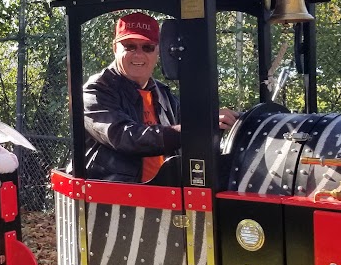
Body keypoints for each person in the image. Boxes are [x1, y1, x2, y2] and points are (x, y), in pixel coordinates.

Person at [82, 12, 237, 182]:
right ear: (115, 48)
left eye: (147, 47)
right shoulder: (96, 91)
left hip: (163, 191)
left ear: (158, 51)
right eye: (130, 46)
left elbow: (188, 125)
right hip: (114, 193)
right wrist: (197, 128)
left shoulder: (163, 94)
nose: (138, 55)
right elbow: (125, 137)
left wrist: (217, 121)